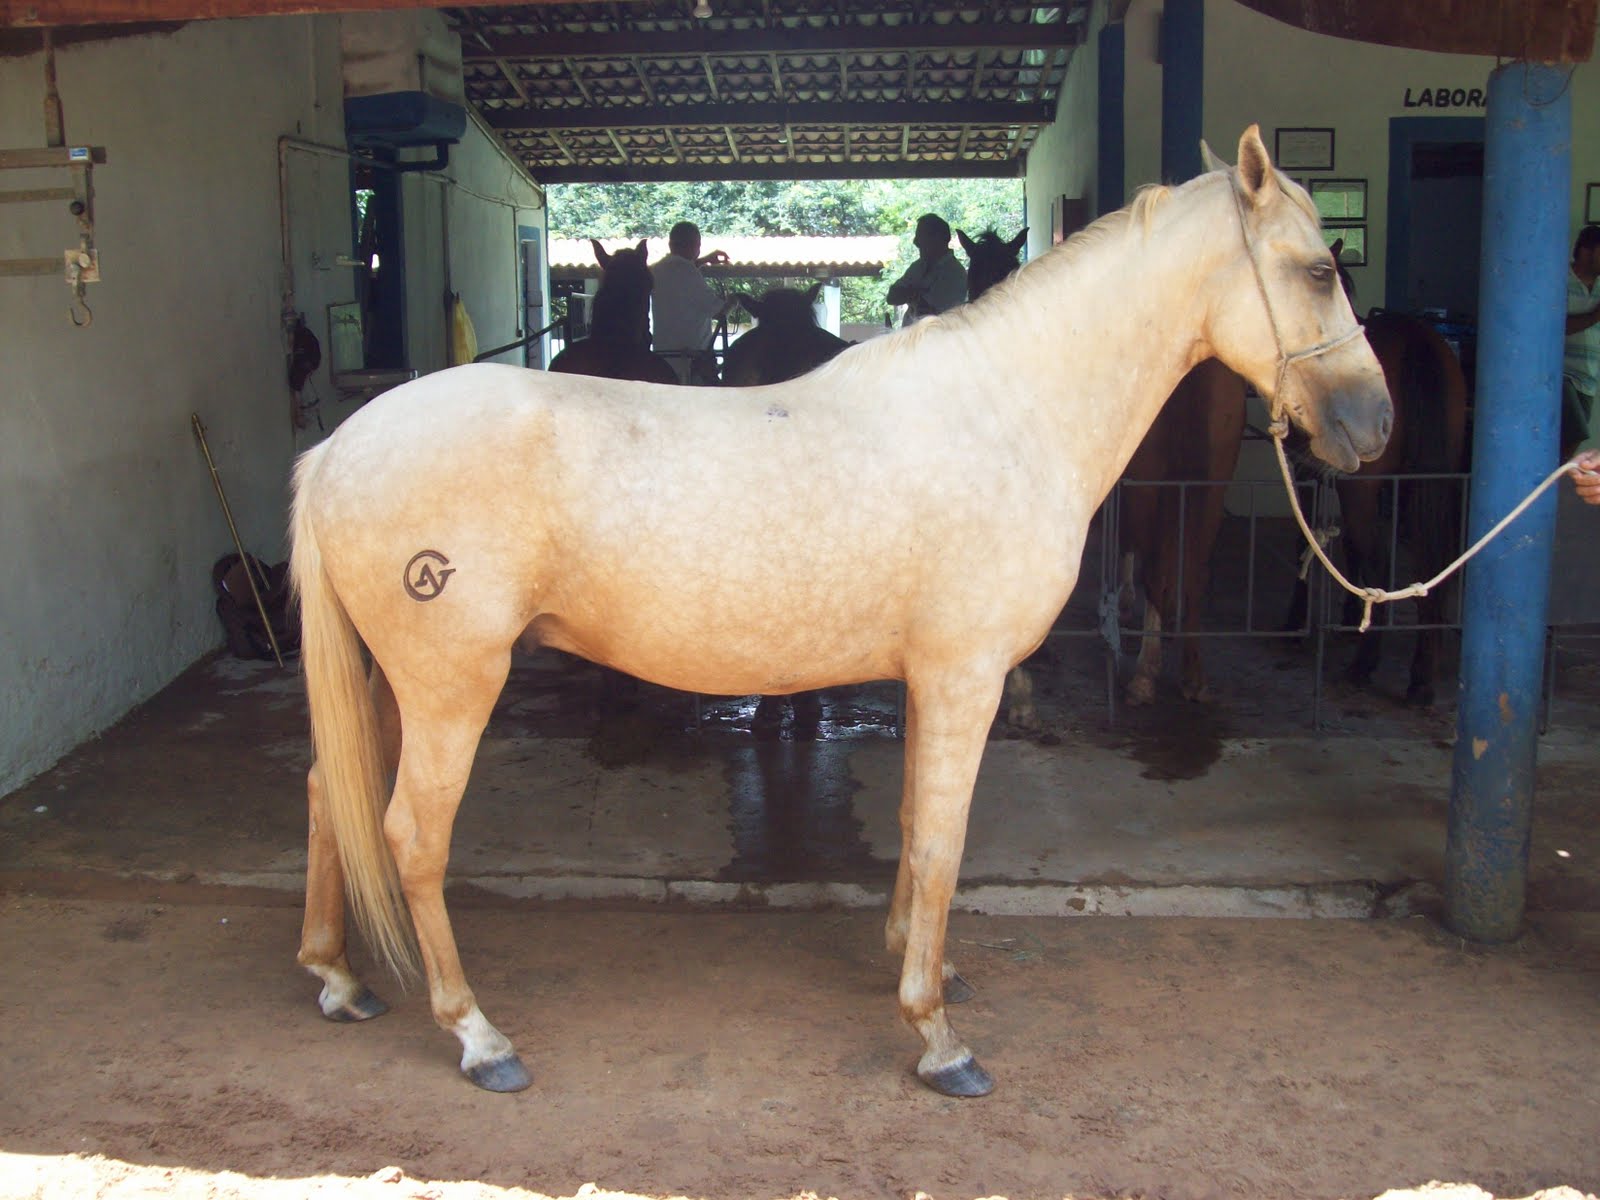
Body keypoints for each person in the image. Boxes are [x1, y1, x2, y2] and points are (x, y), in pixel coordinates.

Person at [650, 221, 732, 383]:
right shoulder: (690, 274)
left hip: (663, 362)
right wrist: (735, 300)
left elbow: (676, 274)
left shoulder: (655, 271)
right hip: (691, 364)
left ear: (670, 244)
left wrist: (702, 261)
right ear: (696, 245)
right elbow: (718, 311)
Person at [885, 213, 967, 327]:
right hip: (913, 340)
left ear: (939, 238)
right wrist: (916, 294)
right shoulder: (918, 267)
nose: (916, 242)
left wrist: (910, 293)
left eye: (921, 236)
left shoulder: (954, 273)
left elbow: (930, 313)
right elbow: (892, 297)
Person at [1561, 224, 1600, 460]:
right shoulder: (1559, 281)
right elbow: (1557, 328)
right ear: (1587, 251)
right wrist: (1596, 315)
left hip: (1589, 380)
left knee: (1571, 442)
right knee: (1571, 438)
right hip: (1563, 377)